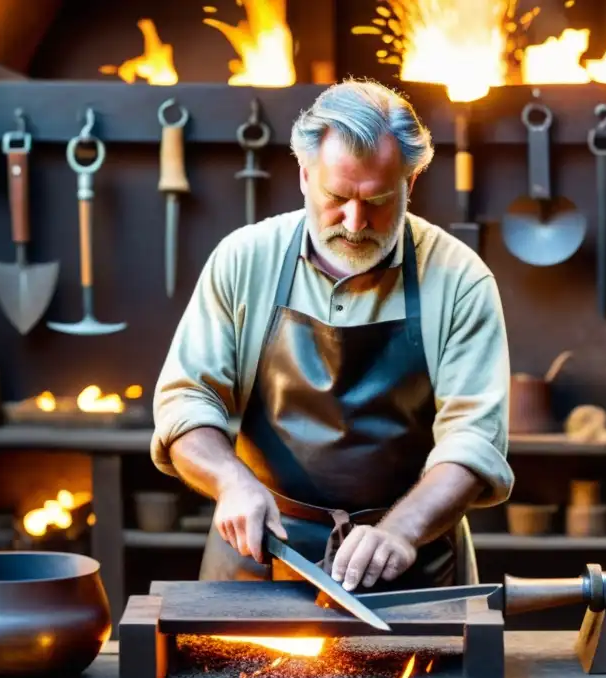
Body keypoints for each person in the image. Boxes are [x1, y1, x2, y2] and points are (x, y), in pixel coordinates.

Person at [150, 78, 513, 594]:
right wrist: (230, 482)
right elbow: (186, 402)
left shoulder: (460, 280)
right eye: (337, 197)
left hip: (409, 564)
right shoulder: (243, 259)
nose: (355, 221)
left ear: (412, 181)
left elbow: (474, 440)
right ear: (303, 175)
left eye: (379, 200)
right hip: (260, 551)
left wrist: (400, 533)